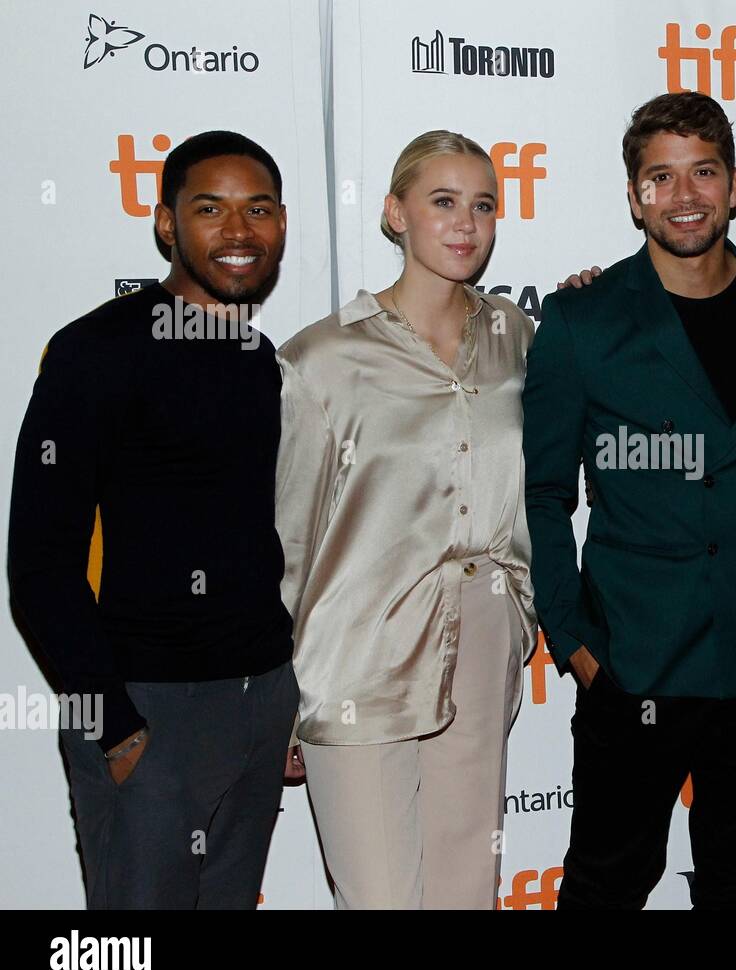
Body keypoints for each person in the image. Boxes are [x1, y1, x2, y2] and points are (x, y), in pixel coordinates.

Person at [523, 91, 736, 909]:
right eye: (661, 178)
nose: (684, 195)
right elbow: (544, 493)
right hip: (635, 656)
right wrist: (574, 638)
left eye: (703, 172)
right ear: (633, 197)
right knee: (606, 884)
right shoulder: (583, 319)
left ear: (734, 185)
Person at [8, 131, 298, 908]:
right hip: (147, 710)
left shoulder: (259, 358)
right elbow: (38, 563)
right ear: (167, 223)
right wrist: (118, 729)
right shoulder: (94, 352)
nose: (240, 231)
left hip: (260, 700)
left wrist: (282, 700)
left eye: (259, 209)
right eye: (211, 209)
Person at [274, 130, 537, 909]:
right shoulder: (322, 359)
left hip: (484, 639)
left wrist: (515, 607)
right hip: (359, 650)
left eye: (483, 205)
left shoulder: (518, 340)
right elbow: (289, 541)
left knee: (465, 891)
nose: (466, 224)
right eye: (443, 202)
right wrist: (280, 702)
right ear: (396, 214)